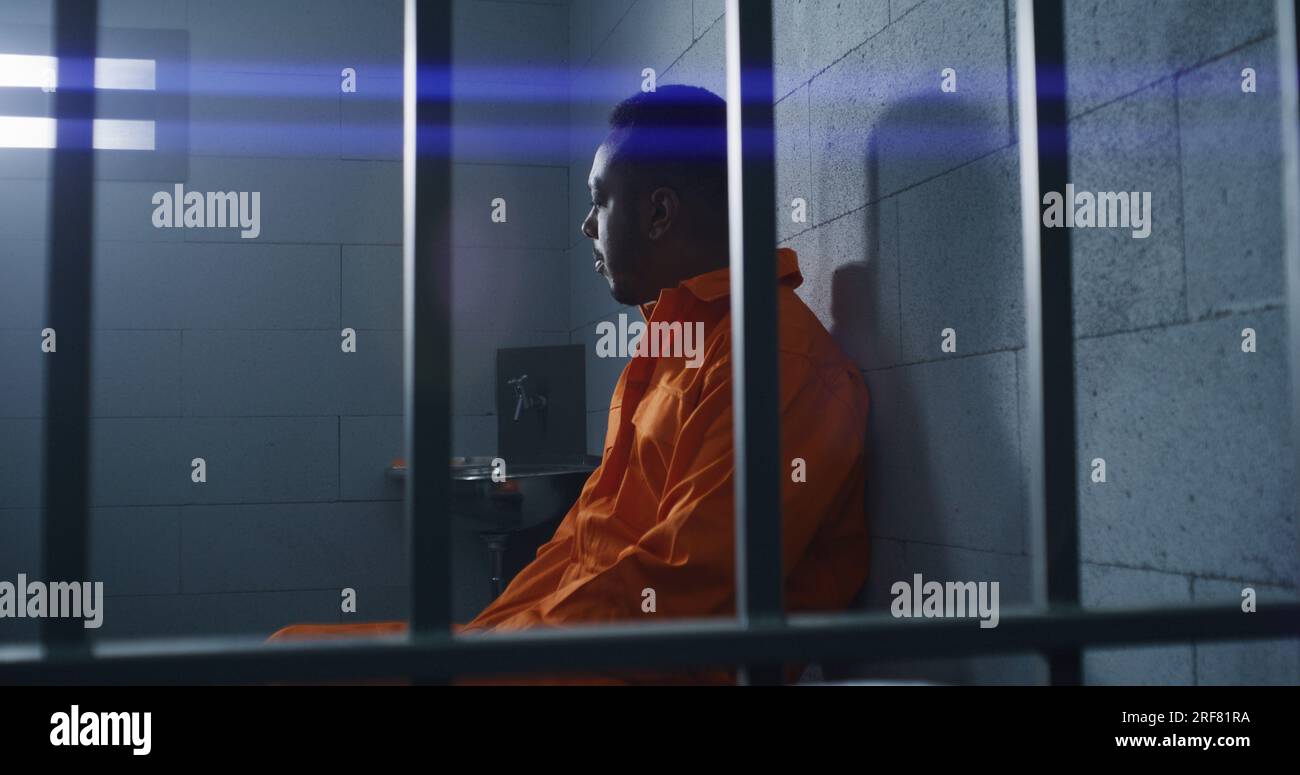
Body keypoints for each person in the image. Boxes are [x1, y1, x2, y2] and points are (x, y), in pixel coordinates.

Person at [268, 85, 872, 685]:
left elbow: (682, 587)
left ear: (659, 213)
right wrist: (492, 634)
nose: (587, 226)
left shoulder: (776, 360)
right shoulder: (673, 339)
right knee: (287, 653)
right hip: (570, 647)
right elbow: (583, 540)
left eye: (598, 200)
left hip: (636, 670)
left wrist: (499, 653)